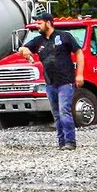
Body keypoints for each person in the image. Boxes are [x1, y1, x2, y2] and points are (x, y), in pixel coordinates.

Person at [27, 17, 83, 149]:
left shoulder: (64, 36)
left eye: (39, 23)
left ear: (48, 23)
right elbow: (24, 48)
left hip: (65, 81)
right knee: (56, 114)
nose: (37, 26)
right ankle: (61, 142)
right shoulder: (38, 41)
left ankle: (70, 141)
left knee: (64, 111)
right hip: (50, 83)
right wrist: (25, 51)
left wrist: (80, 74)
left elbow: (79, 52)